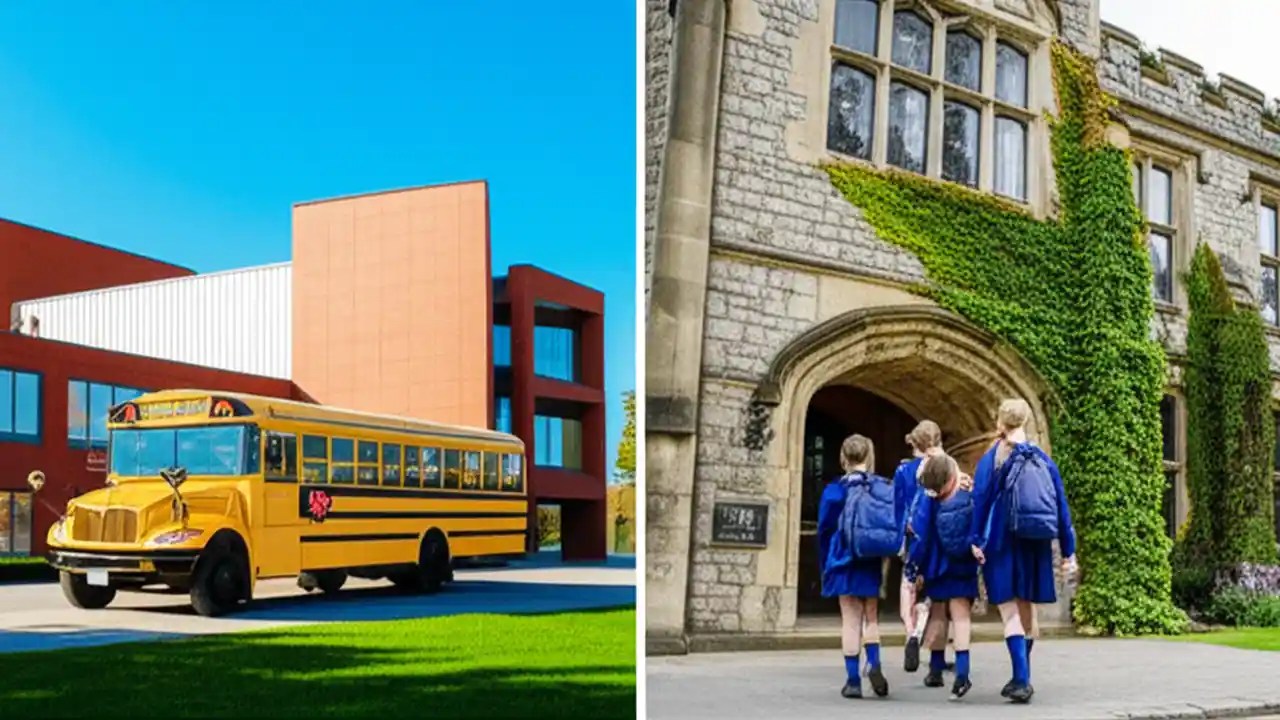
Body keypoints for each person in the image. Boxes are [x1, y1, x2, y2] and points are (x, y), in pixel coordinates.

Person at [970, 399, 1077, 704]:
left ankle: (1021, 680)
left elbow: (981, 499)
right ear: (1026, 421)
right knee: (1026, 606)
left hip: (1004, 541)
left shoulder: (993, 459)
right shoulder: (1043, 459)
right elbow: (1061, 506)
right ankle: (1024, 673)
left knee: (1008, 610)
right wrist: (1068, 551)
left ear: (999, 424)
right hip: (1036, 542)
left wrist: (976, 539)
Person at [818, 434, 898, 699]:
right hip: (869, 558)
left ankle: (852, 681)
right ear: (868, 456)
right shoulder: (881, 487)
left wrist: (824, 564)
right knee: (871, 616)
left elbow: (824, 531)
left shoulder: (834, 492)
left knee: (850, 620)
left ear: (843, 457)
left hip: (842, 559)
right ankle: (874, 663)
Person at [906, 453, 979, 700]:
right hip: (962, 568)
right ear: (952, 478)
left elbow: (921, 538)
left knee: (937, 614)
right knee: (961, 619)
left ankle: (935, 668)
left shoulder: (929, 504)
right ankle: (962, 674)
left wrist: (915, 570)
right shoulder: (968, 499)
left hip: (936, 567)